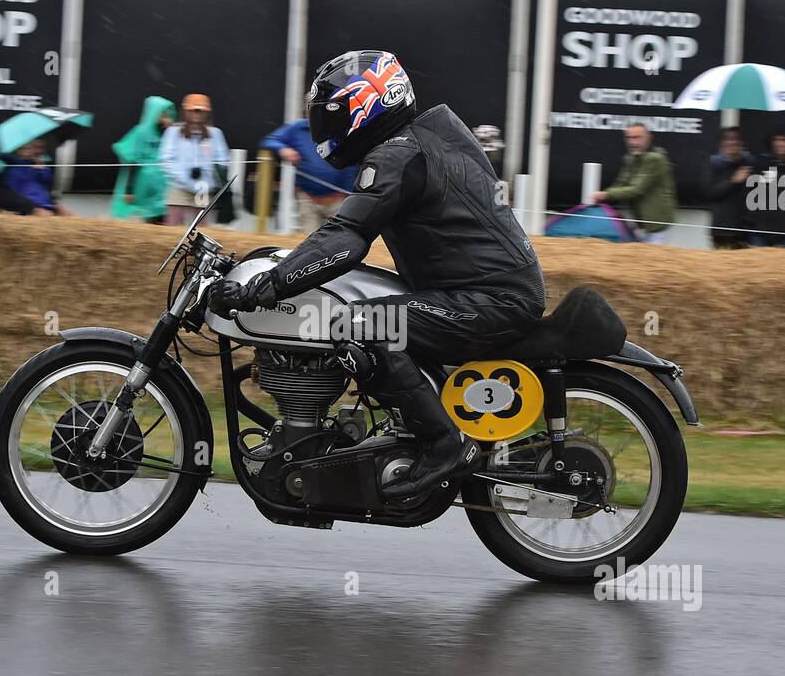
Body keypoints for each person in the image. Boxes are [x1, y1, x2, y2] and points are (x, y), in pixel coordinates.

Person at [207, 50, 546, 500]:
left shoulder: (398, 155)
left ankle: (444, 445)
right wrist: (286, 264)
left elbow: (346, 237)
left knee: (362, 326)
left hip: (489, 299)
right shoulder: (425, 138)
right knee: (363, 310)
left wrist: (265, 287)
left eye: (332, 115)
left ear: (365, 104)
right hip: (485, 291)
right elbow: (342, 234)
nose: (325, 128)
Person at [259, 116, 357, 232]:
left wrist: (349, 195)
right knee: (309, 242)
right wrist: (283, 149)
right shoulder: (298, 127)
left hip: (338, 202)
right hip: (308, 200)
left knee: (337, 242)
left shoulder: (342, 128)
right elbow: (269, 140)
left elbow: (353, 161)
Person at [592, 122, 676, 243]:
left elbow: (636, 189)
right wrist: (604, 196)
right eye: (628, 138)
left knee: (651, 259)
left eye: (637, 137)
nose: (632, 142)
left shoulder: (655, 159)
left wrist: (605, 195)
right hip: (640, 222)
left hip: (657, 224)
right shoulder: (630, 158)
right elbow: (621, 183)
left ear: (648, 138)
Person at [159, 93, 229, 227]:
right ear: (185, 112)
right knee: (173, 224)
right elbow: (166, 159)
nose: (197, 114)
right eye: (193, 110)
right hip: (179, 186)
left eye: (200, 111)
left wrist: (208, 177)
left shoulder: (215, 133)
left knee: (201, 227)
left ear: (206, 113)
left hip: (203, 186)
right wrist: (184, 177)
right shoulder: (173, 132)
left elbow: (222, 160)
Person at [110, 95, 176, 222]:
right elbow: (131, 160)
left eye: (167, 113)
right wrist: (129, 190)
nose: (166, 117)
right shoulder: (140, 132)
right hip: (144, 186)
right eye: (162, 113)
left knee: (166, 220)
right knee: (148, 220)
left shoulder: (170, 133)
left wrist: (167, 128)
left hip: (165, 186)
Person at [749, 132, 785, 247]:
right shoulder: (760, 163)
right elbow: (748, 193)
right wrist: (754, 220)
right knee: (757, 265)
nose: (782, 144)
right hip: (759, 232)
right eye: (778, 140)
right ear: (772, 143)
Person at [704, 126, 759, 249]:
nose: (733, 143)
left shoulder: (750, 164)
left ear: (741, 144)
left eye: (736, 140)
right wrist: (733, 181)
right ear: (722, 144)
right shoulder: (714, 164)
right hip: (721, 231)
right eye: (728, 139)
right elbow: (710, 194)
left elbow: (756, 197)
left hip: (744, 231)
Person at [0, 138, 73, 216]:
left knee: (68, 214)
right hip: (30, 205)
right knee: (46, 215)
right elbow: (14, 192)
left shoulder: (38, 166)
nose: (28, 151)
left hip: (45, 203)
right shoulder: (12, 168)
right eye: (24, 148)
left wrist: (42, 169)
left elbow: (46, 185)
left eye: (29, 148)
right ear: (17, 150)